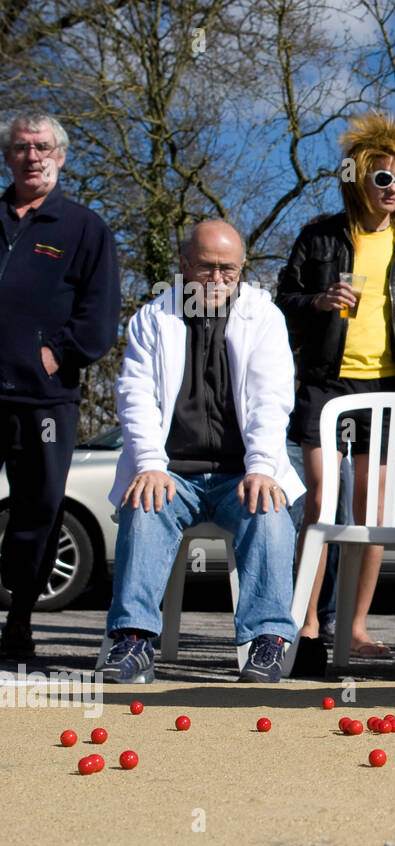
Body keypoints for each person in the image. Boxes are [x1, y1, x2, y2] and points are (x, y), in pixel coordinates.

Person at [97, 220, 303, 683]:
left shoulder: (264, 317)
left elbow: (273, 400)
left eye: (228, 270)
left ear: (242, 268)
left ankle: (267, 642)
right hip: (175, 474)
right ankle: (133, 641)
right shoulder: (153, 318)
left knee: (270, 512)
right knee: (144, 503)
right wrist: (150, 465)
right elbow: (136, 398)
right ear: (184, 265)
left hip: (241, 473)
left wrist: (263, 467)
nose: (217, 280)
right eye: (206, 268)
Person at [276, 112, 395, 670]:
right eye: (382, 179)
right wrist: (318, 303)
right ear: (358, 179)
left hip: (387, 389)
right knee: (322, 500)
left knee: (373, 510)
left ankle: (356, 624)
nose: (393, 190)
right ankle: (306, 622)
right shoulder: (319, 237)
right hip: (326, 382)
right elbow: (282, 306)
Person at [0, 111, 119, 661]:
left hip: (45, 397)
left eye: (43, 146)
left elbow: (100, 316)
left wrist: (57, 355)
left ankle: (20, 619)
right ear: (8, 156)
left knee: (38, 510)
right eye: (22, 147)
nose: (32, 156)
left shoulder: (84, 228)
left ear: (61, 155)